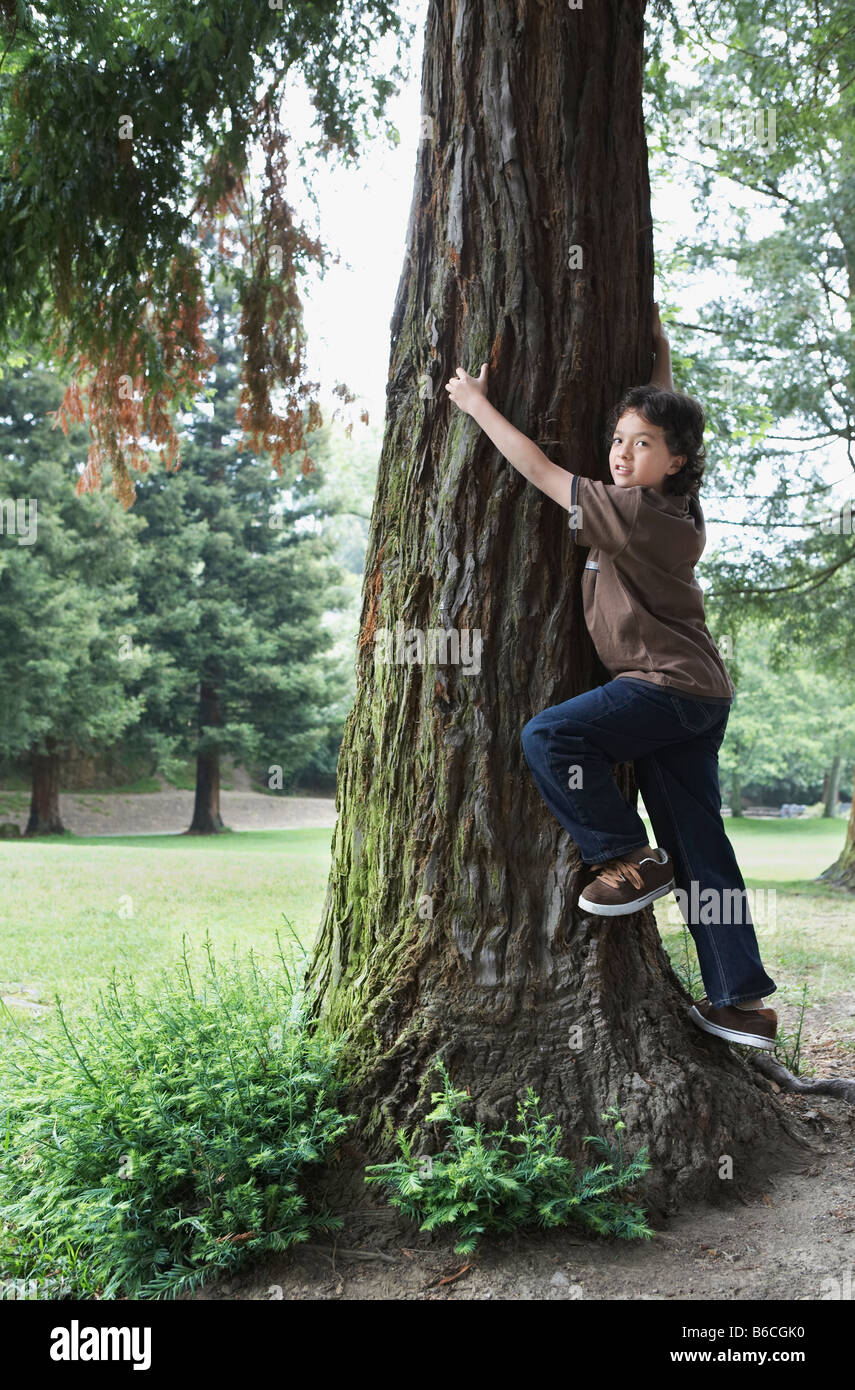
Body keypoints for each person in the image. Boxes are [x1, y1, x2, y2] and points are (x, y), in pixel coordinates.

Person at [444, 305, 778, 1051]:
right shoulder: (673, 504)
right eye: (617, 441)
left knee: (551, 732)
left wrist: (476, 405)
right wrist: (658, 363)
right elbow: (663, 425)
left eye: (642, 445)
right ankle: (742, 1001)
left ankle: (627, 859)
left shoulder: (627, 513)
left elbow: (537, 469)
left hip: (662, 687)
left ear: (676, 462)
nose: (622, 454)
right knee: (702, 846)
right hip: (697, 696)